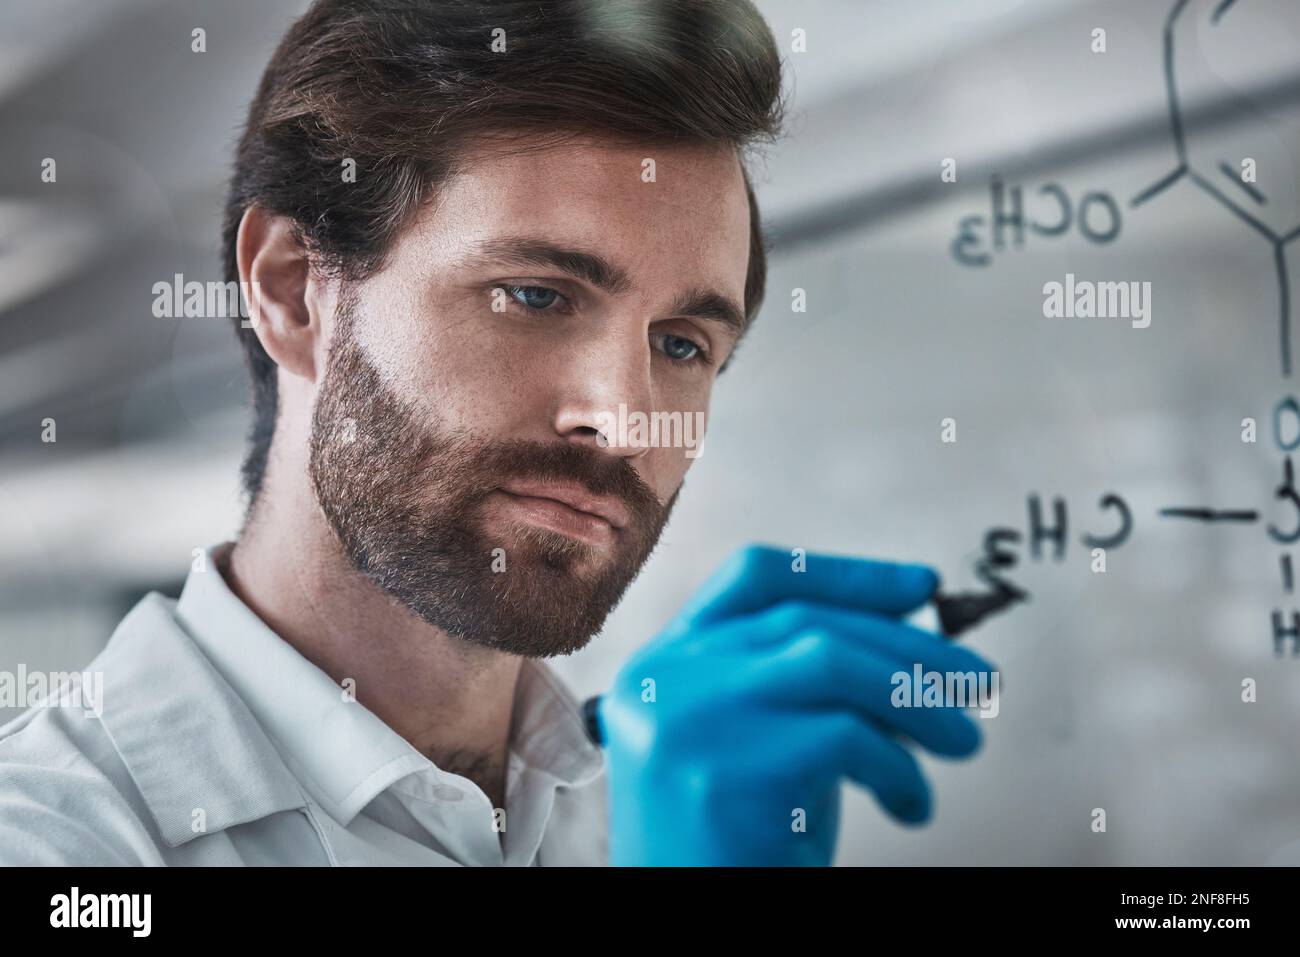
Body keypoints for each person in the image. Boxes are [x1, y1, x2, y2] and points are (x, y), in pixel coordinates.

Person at [0, 0, 994, 866]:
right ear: (295, 290)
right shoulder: (58, 842)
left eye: (683, 344)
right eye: (533, 295)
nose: (621, 415)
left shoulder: (648, 807)